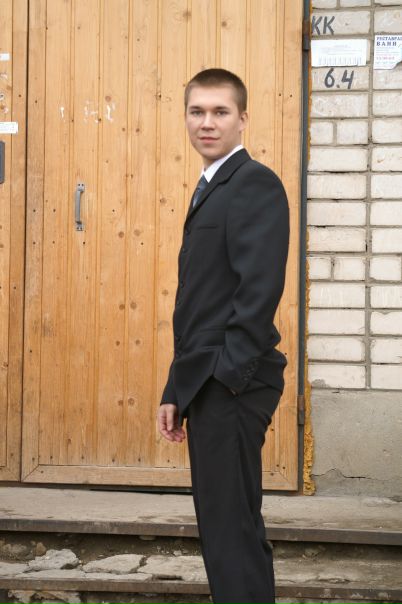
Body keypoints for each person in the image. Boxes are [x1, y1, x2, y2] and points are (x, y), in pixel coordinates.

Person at [157, 68, 290, 604]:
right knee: (223, 526)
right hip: (208, 380)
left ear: (243, 119)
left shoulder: (253, 183)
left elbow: (259, 291)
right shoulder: (211, 186)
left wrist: (225, 377)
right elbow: (200, 302)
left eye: (220, 112)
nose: (206, 123)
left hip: (233, 382)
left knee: (231, 530)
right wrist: (177, 388)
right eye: (197, 111)